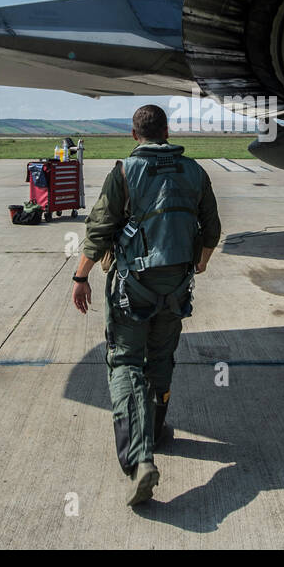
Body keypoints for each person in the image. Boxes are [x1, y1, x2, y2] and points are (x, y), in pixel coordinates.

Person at [71, 104, 221, 506]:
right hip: (176, 285)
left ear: (134, 135)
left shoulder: (123, 173)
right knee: (161, 359)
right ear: (167, 131)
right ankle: (156, 430)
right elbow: (212, 228)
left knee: (125, 363)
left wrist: (81, 276)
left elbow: (100, 230)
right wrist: (201, 262)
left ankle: (140, 458)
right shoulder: (195, 171)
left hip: (132, 286)